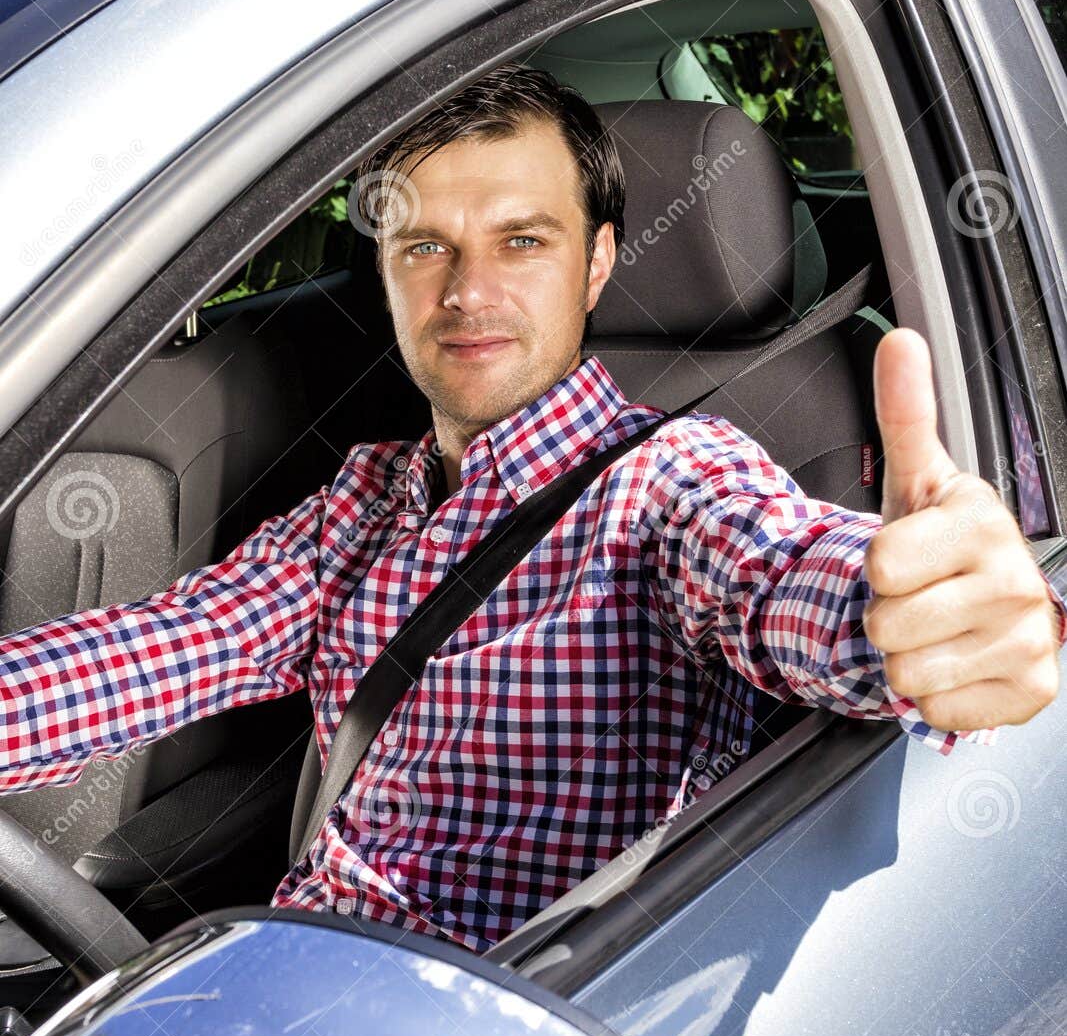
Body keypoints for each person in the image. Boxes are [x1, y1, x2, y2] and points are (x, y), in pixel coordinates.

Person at [0, 65, 1063, 956]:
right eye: (425, 246)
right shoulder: (362, 505)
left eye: (521, 241)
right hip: (287, 989)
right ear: (382, 269)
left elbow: (781, 571)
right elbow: (150, 653)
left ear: (596, 262)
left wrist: (927, 620)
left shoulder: (665, 485)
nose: (466, 291)